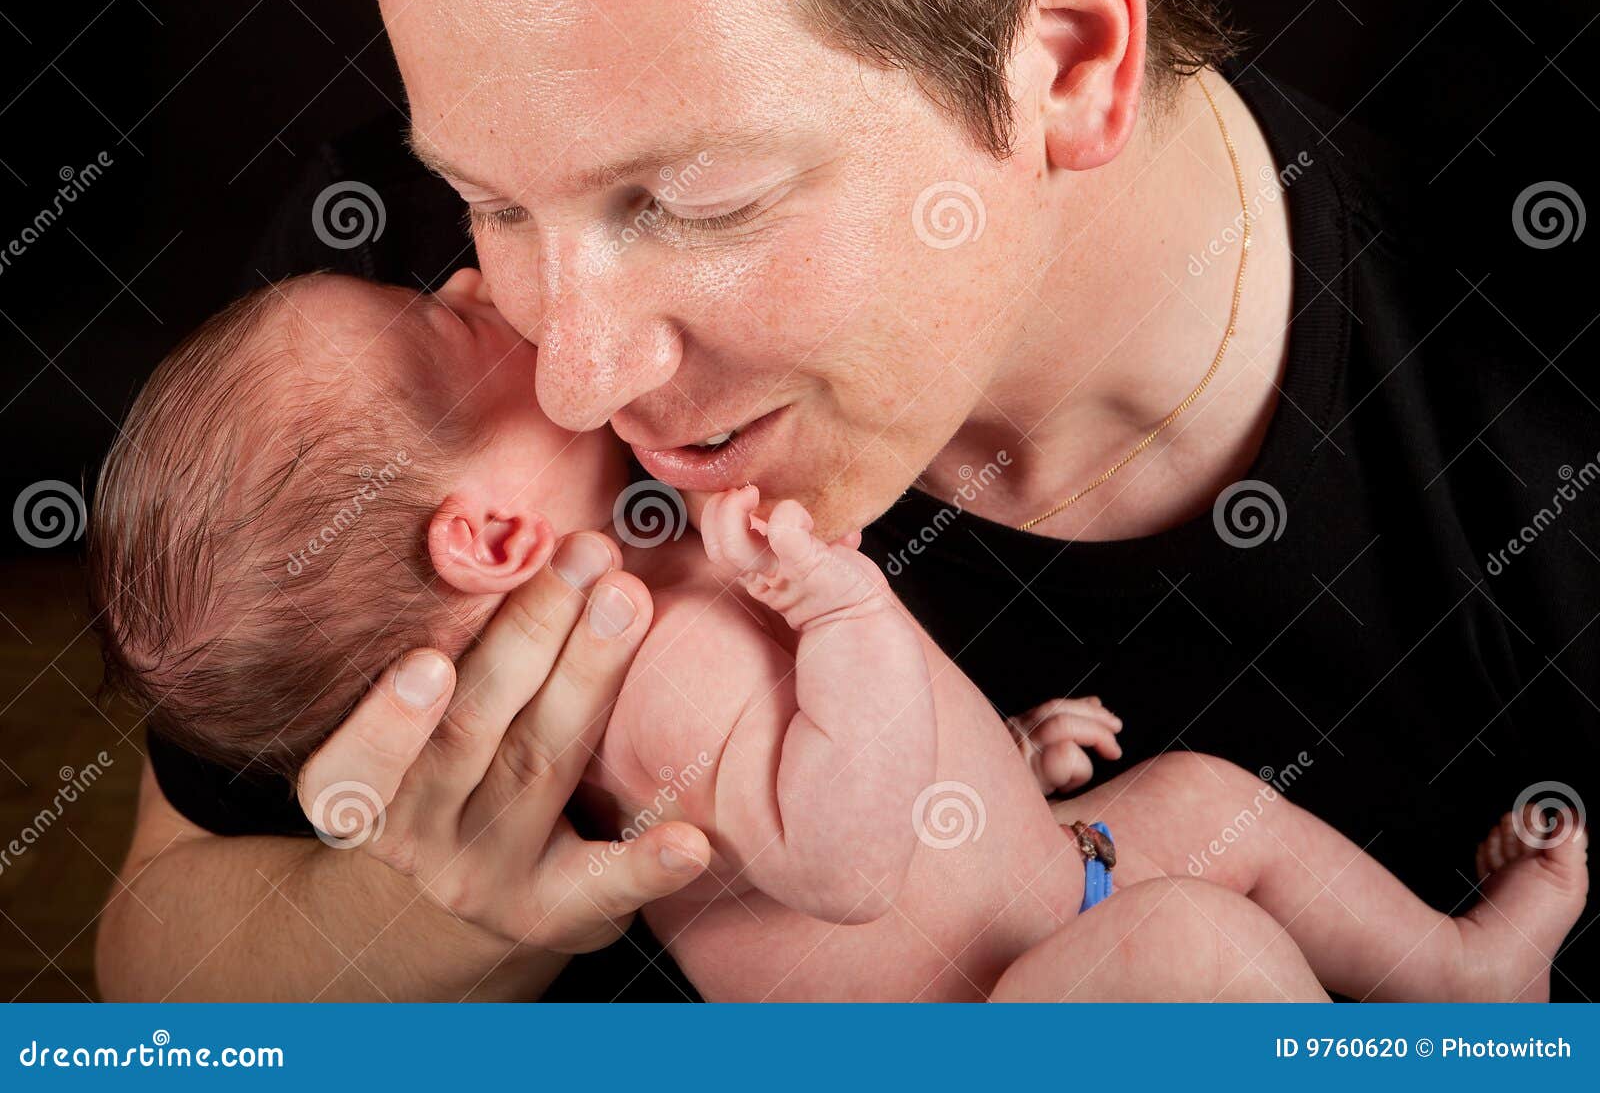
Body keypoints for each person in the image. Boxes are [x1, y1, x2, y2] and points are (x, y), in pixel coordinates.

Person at [95, 0, 1598, 1001]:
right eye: (488, 199)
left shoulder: (1529, 440)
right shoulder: (372, 322)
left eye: (697, 202)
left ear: (1069, 57)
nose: (569, 365)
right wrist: (423, 919)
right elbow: (149, 987)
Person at [87, 270, 1588, 1002]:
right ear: (486, 540)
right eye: (450, 329)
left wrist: (993, 753)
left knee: (1202, 803)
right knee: (1192, 943)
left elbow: (848, 801)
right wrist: (845, 603)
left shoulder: (647, 608)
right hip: (986, 1021)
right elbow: (845, 857)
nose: (480, 279)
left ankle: (1462, 978)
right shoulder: (644, 672)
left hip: (1037, 889)